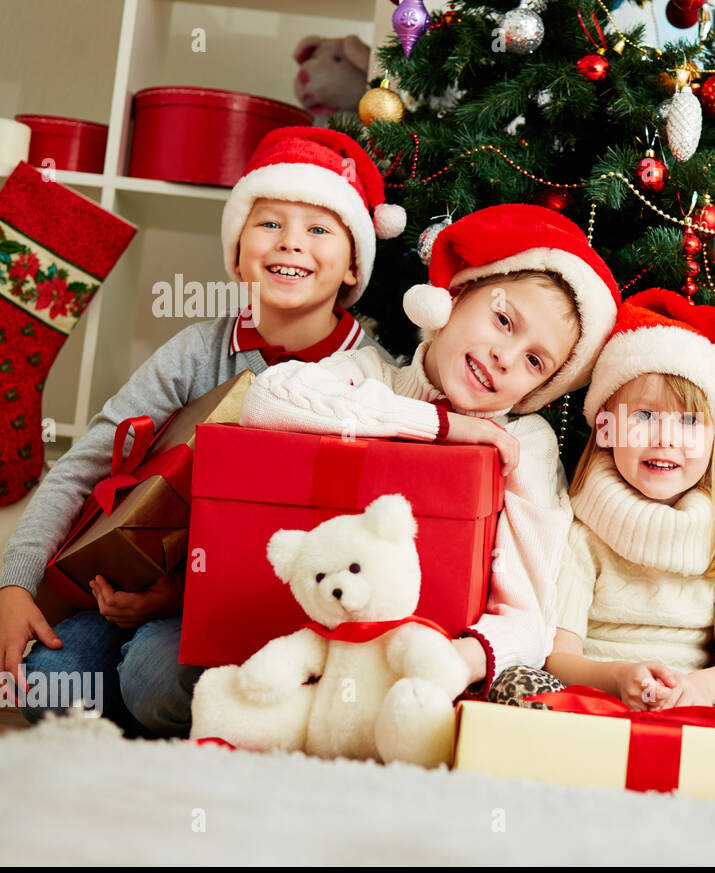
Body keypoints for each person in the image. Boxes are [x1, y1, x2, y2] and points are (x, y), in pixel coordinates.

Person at [0, 126, 400, 736]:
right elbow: (87, 461)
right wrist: (13, 585)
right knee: (51, 682)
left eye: (319, 229)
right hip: (136, 585)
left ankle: (216, 726)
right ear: (237, 254)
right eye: (269, 224)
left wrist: (177, 600)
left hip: (260, 607)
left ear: (352, 268)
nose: (291, 243)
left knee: (154, 679)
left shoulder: (374, 379)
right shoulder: (198, 351)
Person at [240, 202, 621, 704]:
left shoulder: (523, 443)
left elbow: (531, 619)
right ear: (454, 298)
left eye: (533, 361)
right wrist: (441, 426)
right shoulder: (370, 376)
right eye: (503, 320)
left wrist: (458, 661)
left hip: (437, 665)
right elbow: (265, 400)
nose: (504, 358)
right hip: (319, 638)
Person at [488, 289, 715, 733]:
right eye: (644, 416)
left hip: (698, 713)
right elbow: (559, 656)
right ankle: (608, 754)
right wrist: (617, 678)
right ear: (607, 428)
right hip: (598, 705)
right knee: (514, 684)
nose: (665, 439)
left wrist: (695, 690)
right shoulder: (581, 530)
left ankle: (684, 758)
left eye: (689, 422)